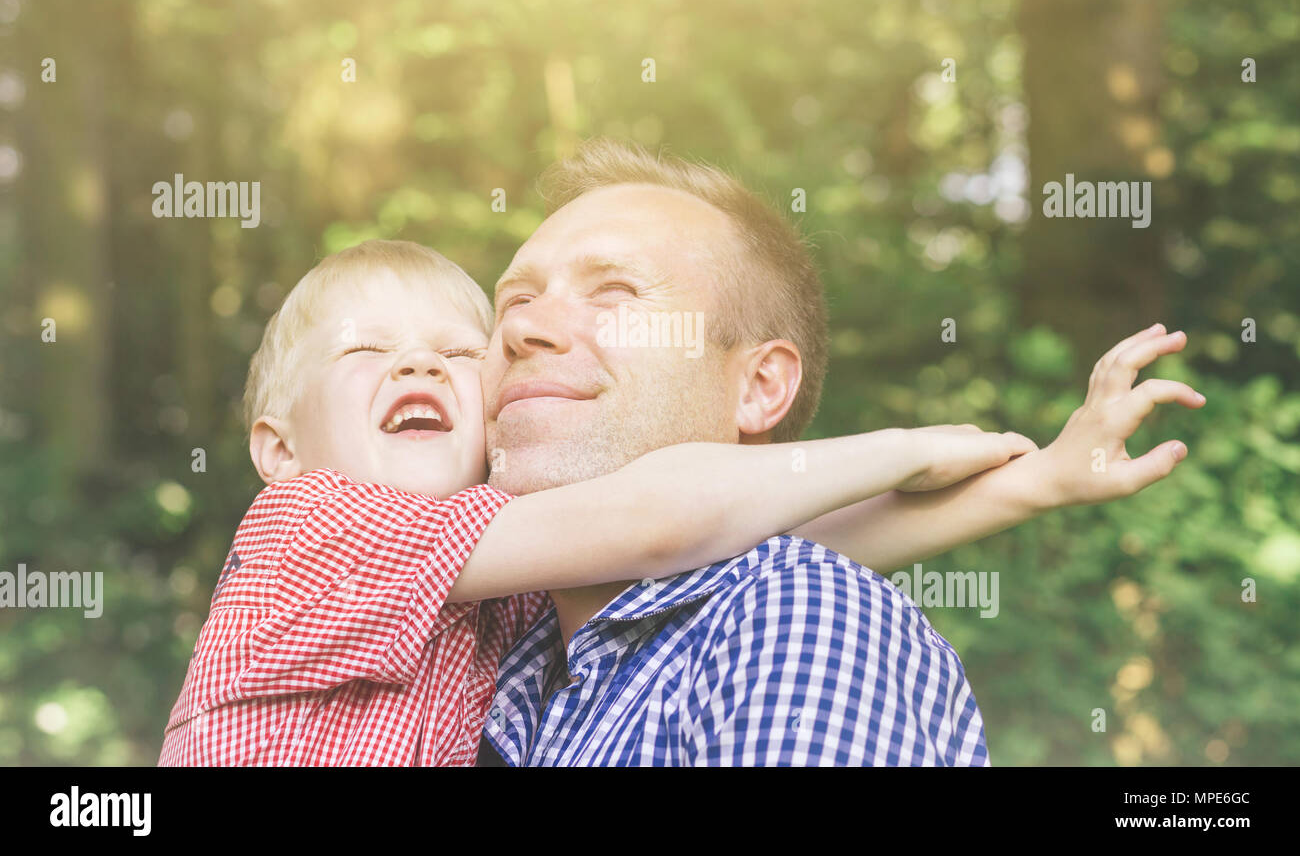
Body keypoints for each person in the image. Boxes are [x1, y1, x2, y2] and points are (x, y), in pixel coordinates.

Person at [157, 239, 1036, 765]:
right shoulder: (308, 526)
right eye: (366, 352)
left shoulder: (497, 572)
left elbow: (739, 553)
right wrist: (906, 448)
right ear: (278, 449)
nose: (418, 367)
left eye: (460, 355)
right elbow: (665, 523)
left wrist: (1031, 486)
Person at [478, 138, 1203, 765]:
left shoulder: (794, 617)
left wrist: (1038, 478)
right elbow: (671, 527)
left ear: (760, 386)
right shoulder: (496, 640)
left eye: (614, 291)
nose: (526, 328)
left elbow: (701, 529)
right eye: (514, 300)